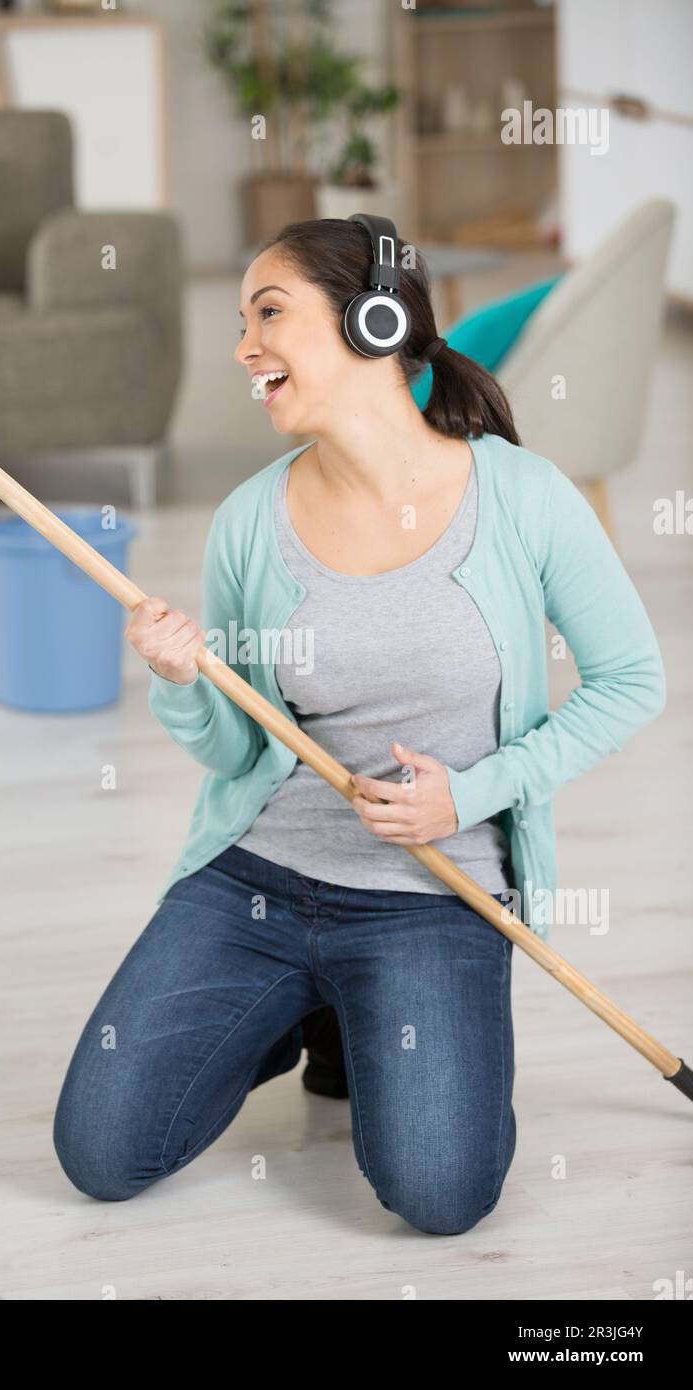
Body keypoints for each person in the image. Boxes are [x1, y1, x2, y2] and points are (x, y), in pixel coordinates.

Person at [52, 218, 665, 1234]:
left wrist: (466, 794)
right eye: (242, 320)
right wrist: (177, 681)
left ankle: (351, 1010)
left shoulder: (521, 497)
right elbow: (237, 748)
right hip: (258, 876)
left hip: (431, 893)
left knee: (439, 1193)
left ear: (372, 320)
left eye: (269, 313)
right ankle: (306, 1007)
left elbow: (627, 680)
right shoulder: (249, 521)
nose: (244, 348)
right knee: (101, 1152)